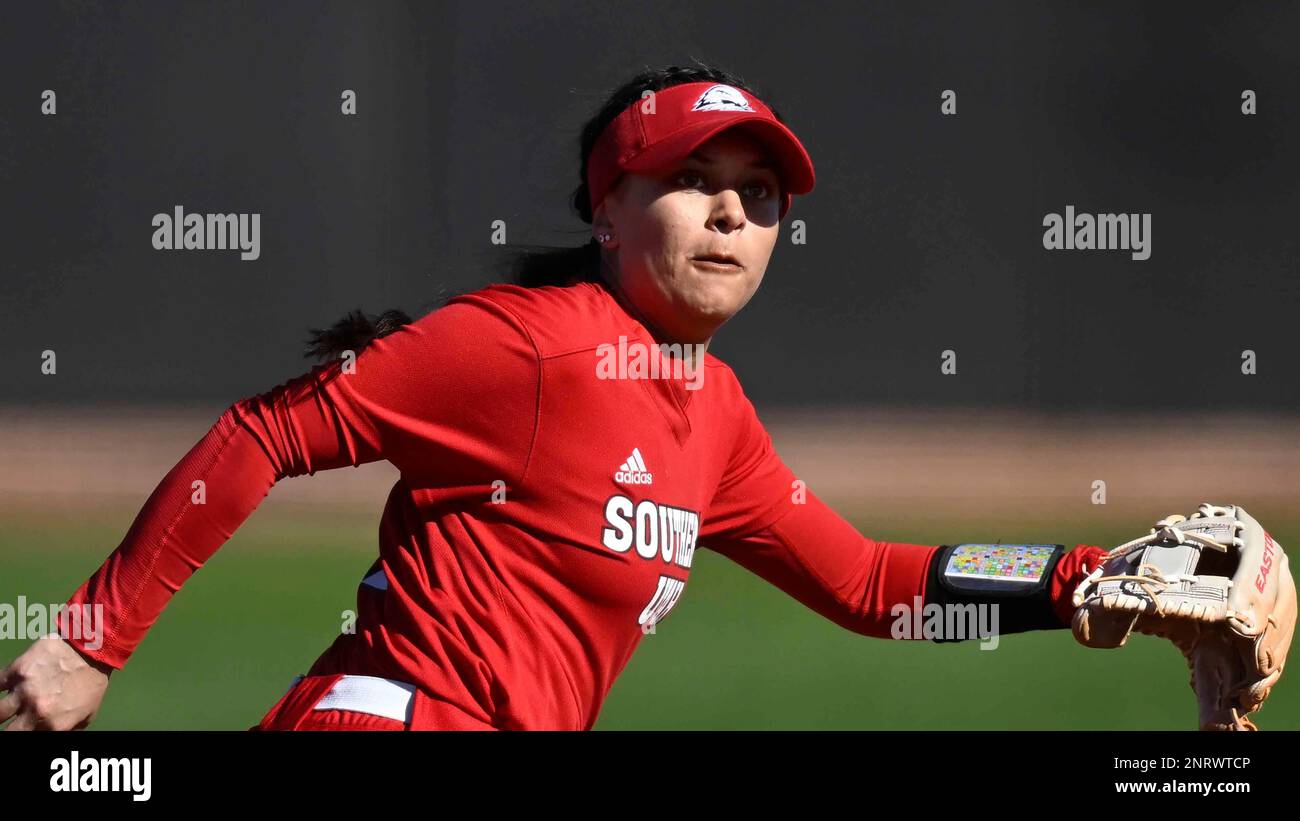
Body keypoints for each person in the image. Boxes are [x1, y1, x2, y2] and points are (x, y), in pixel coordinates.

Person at [0, 63, 1105, 731]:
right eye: (691, 182)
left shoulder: (712, 414)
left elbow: (871, 582)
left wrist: (1084, 580)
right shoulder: (531, 347)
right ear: (608, 209)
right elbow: (267, 428)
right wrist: (88, 640)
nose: (730, 216)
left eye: (757, 194)